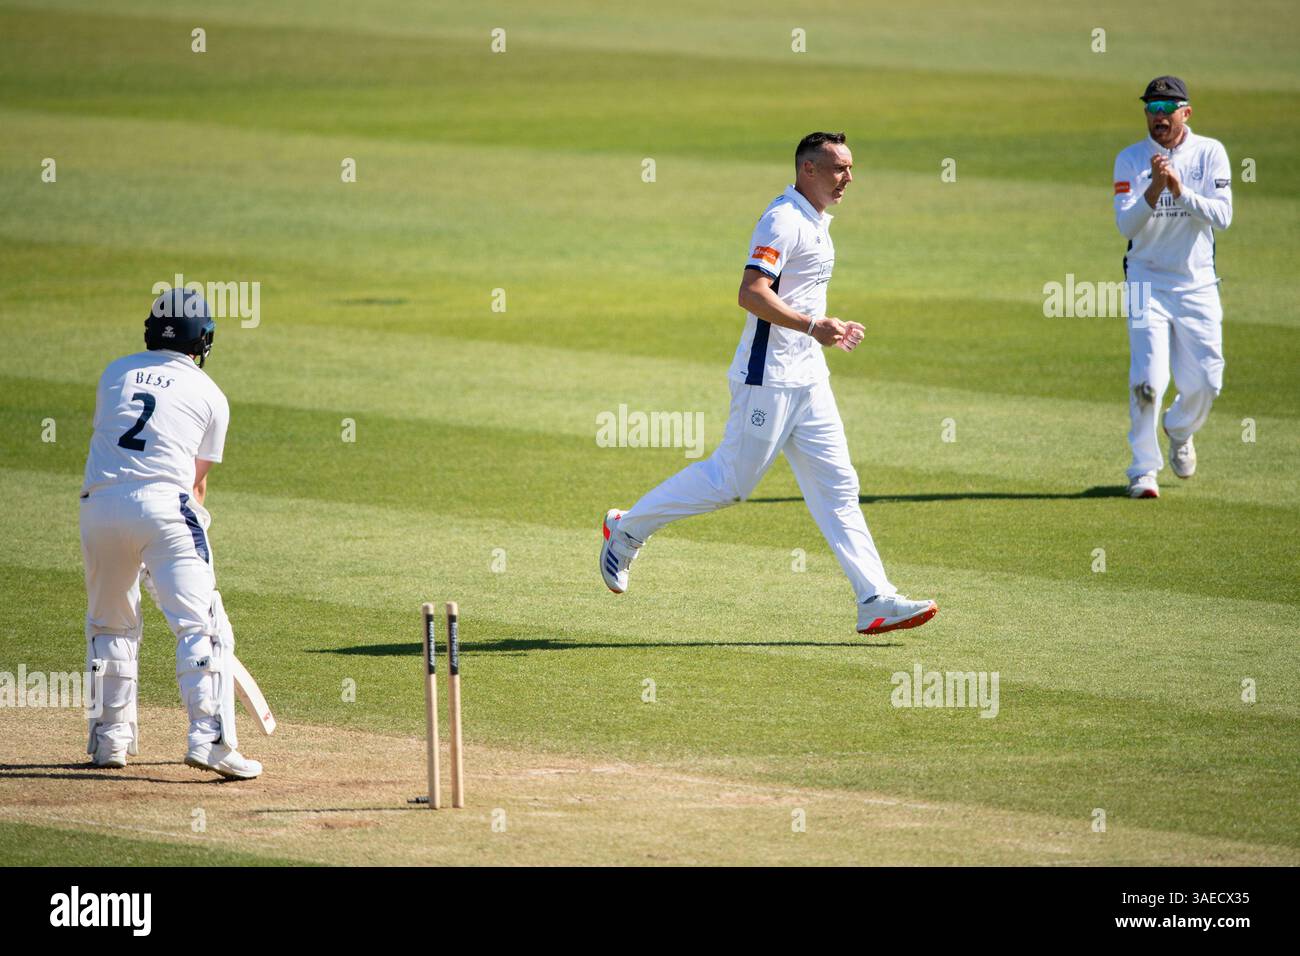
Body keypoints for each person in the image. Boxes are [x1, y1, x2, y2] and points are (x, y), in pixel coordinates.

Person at [600, 132, 937, 635]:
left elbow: (797, 294)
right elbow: (751, 293)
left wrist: (828, 325)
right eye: (839, 168)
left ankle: (874, 599)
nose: (849, 178)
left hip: (809, 379)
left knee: (839, 487)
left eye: (850, 167)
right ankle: (625, 531)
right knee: (729, 484)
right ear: (808, 169)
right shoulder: (782, 220)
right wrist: (810, 327)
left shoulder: (818, 221)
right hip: (768, 379)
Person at [79, 287, 261, 779]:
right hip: (167, 510)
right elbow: (194, 486)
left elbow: (122, 446)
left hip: (98, 508)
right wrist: (175, 556)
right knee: (201, 628)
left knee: (110, 625)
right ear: (201, 339)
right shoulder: (209, 393)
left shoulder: (114, 373)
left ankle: (109, 741)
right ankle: (210, 740)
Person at [1113, 76, 1233, 498]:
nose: (1158, 117)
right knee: (1148, 379)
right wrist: (1153, 188)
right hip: (1147, 278)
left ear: (1186, 112)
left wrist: (1180, 191)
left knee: (1207, 382)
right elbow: (1125, 225)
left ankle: (1179, 429)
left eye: (1167, 109)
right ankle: (1143, 470)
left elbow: (1223, 217)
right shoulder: (1130, 159)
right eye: (1152, 109)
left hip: (1197, 282)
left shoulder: (1210, 153)